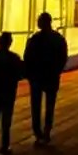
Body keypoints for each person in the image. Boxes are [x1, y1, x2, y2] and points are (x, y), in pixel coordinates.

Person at [23, 12, 68, 145]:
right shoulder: (58, 39)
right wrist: (57, 71)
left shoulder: (34, 39)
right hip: (51, 76)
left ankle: (38, 132)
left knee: (36, 106)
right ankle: (47, 131)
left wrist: (29, 73)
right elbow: (63, 57)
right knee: (50, 105)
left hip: (37, 77)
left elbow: (27, 57)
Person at [0, 32, 25, 155]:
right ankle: (5, 144)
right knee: (6, 119)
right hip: (8, 91)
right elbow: (20, 73)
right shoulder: (14, 58)